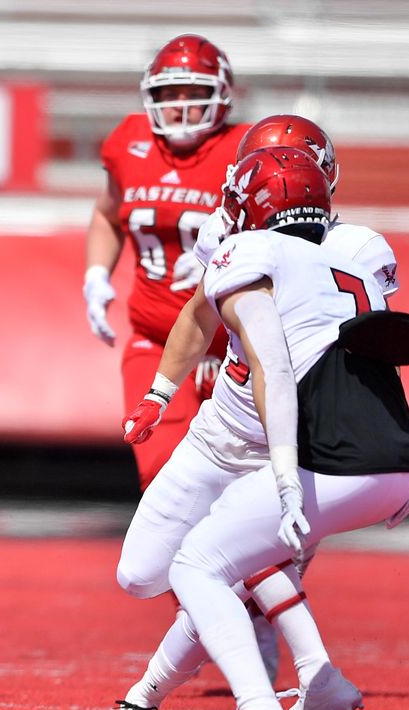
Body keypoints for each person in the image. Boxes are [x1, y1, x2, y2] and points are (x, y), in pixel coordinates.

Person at [109, 115, 409, 710]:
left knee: (223, 565)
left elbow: (304, 364)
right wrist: (161, 390)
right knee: (144, 574)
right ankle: (304, 679)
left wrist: (283, 472)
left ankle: (155, 697)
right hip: (225, 428)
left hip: (294, 438)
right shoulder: (335, 248)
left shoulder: (342, 246)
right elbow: (202, 314)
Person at [83, 33, 249, 491]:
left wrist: (226, 262)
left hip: (235, 348)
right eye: (168, 94)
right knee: (163, 481)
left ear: (220, 96)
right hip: (156, 339)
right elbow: (107, 212)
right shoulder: (129, 141)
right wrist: (96, 275)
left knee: (241, 486)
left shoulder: (245, 152)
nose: (179, 106)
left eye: (193, 94)